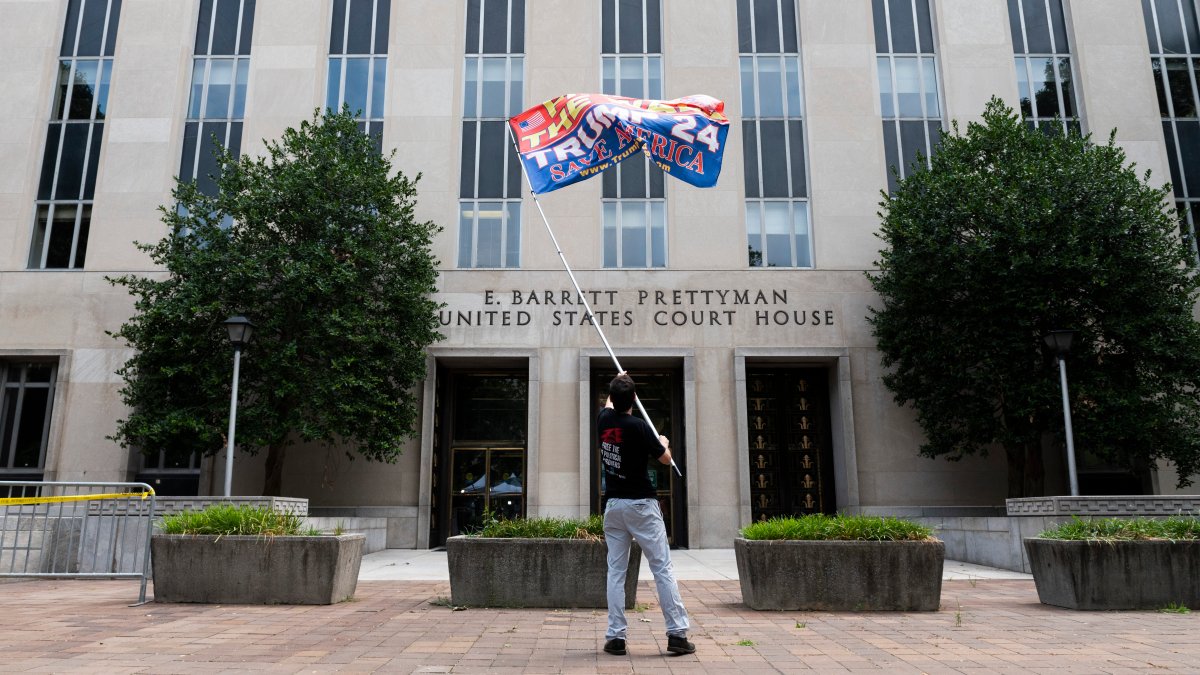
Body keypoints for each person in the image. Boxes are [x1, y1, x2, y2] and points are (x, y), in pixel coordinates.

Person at [598, 372, 695, 656]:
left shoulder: (603, 421)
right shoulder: (640, 427)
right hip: (641, 505)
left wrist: (618, 380)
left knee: (616, 572)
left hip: (614, 506)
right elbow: (665, 459)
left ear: (614, 399)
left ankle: (616, 637)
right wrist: (663, 441)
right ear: (634, 400)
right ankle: (676, 633)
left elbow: (608, 404)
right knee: (661, 568)